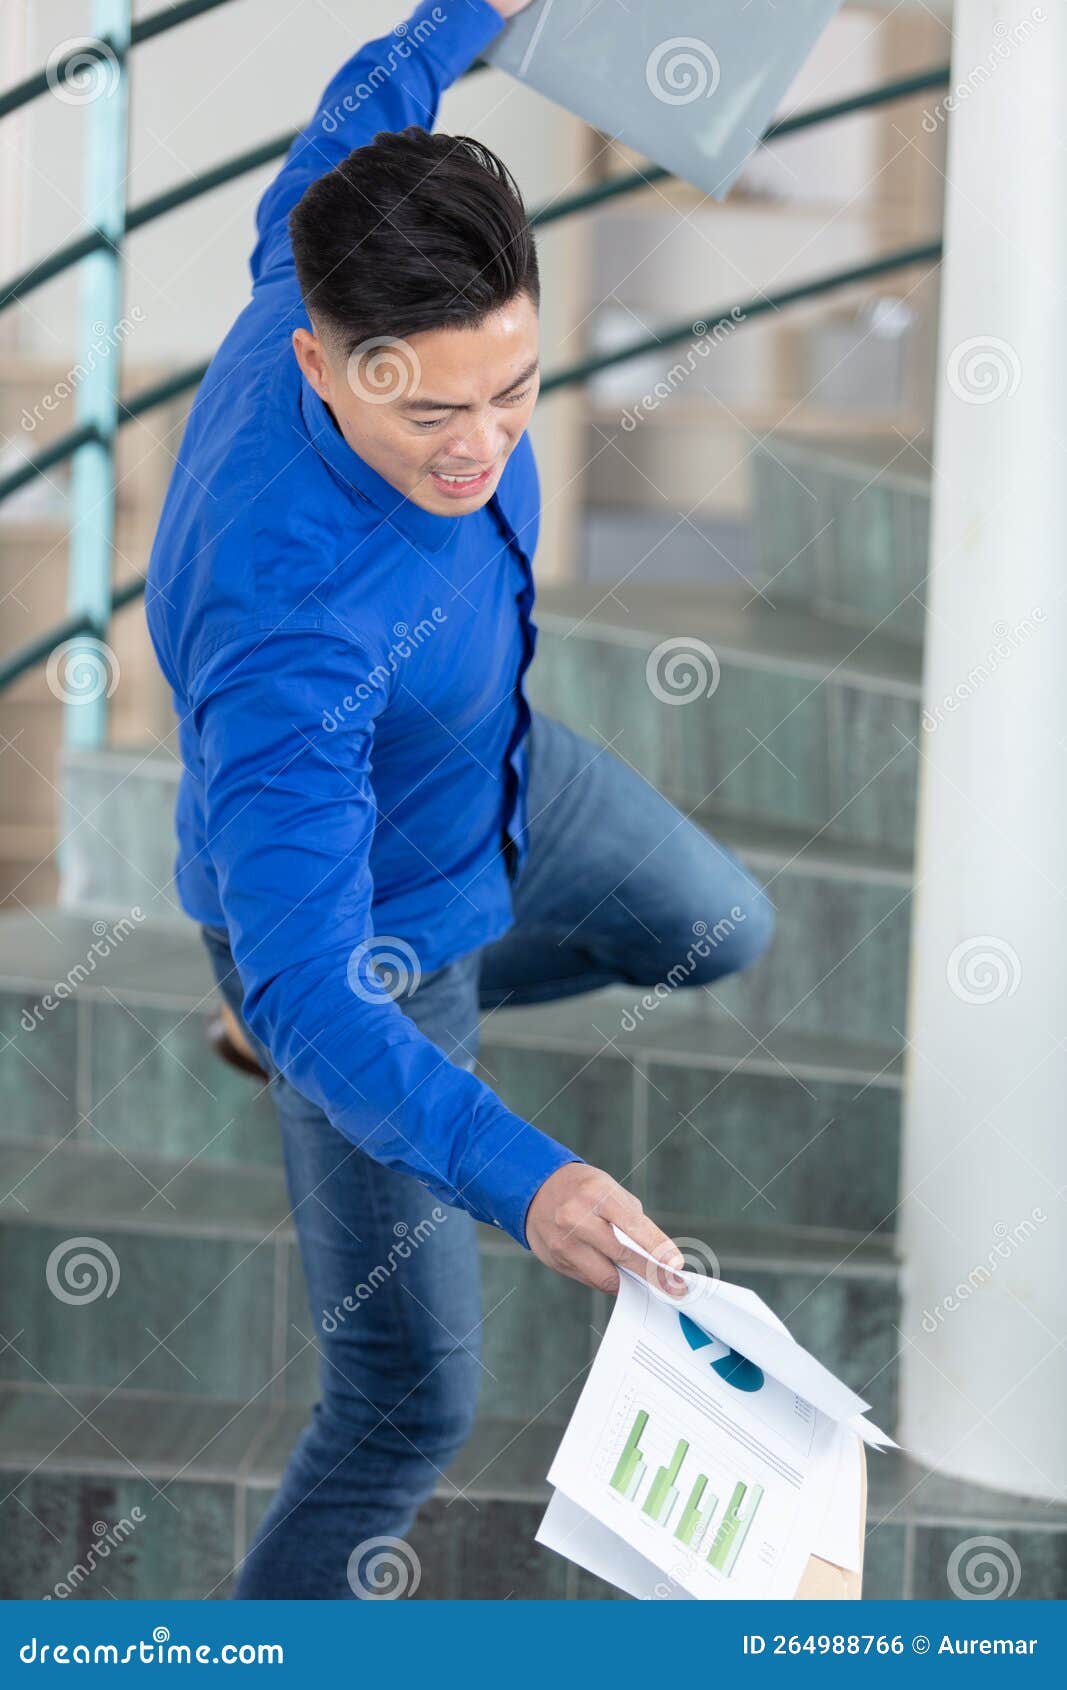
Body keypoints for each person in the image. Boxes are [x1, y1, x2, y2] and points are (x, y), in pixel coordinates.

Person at [145, 0, 774, 1598]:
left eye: (514, 391)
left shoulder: (331, 228)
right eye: (431, 413)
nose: (484, 447)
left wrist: (471, 7)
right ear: (317, 353)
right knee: (409, 1398)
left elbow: (378, 84)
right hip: (361, 937)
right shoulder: (284, 619)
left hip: (495, 767)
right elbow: (309, 973)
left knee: (718, 923)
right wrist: (525, 1173)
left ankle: (331, 1069)